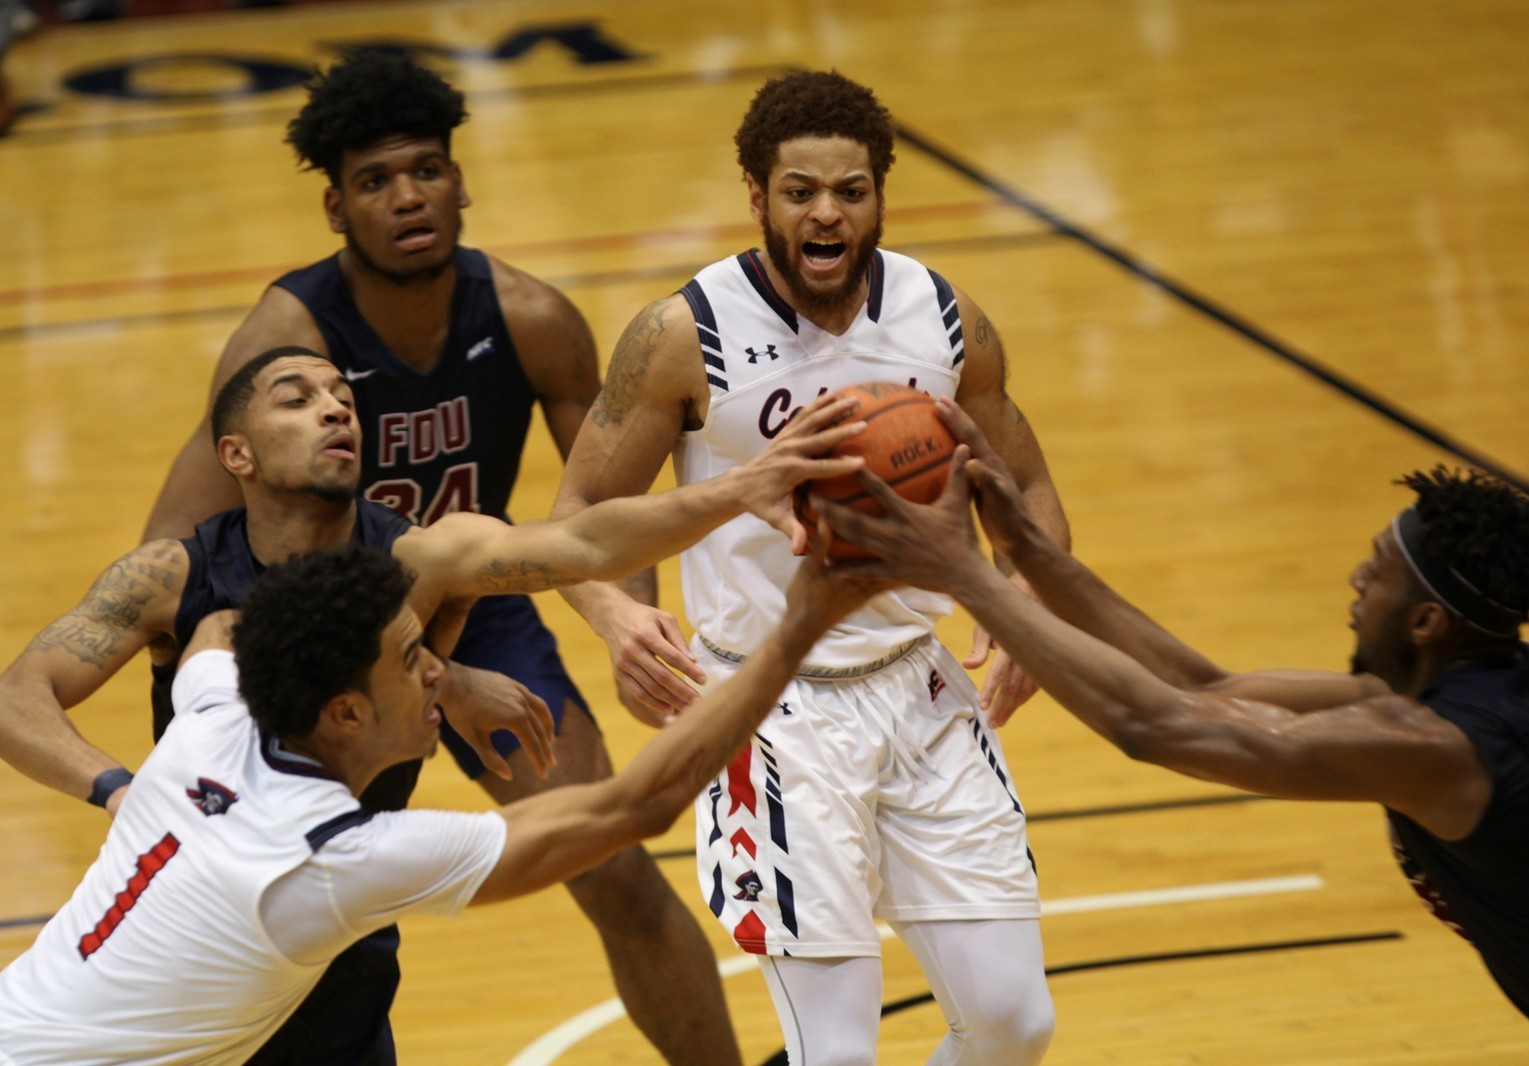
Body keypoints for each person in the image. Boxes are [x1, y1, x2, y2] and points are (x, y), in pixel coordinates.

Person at [0, 348, 864, 1063]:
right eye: (297, 401)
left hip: (271, 947)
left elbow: (584, 541)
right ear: (236, 456)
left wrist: (739, 488)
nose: (336, 411)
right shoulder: (182, 588)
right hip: (267, 904)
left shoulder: (225, 681)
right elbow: (19, 697)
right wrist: (119, 790)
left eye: (344, 396)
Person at [139, 49, 747, 1063]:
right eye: (375, 181)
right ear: (335, 208)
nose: (407, 196)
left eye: (425, 170)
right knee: (273, 913)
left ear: (461, 182)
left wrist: (622, 618)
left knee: (610, 858)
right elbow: (179, 547)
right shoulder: (286, 335)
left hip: (476, 604)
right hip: (311, 633)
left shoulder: (531, 319)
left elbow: (591, 510)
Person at [551, 71, 1068, 1065]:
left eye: (849, 189)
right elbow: (578, 516)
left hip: (920, 687)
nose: (826, 213)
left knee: (1014, 1022)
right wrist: (617, 619)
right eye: (800, 191)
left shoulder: (942, 318)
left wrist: (1021, 604)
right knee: (833, 1054)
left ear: (878, 193)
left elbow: (1029, 491)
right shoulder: (681, 335)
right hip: (766, 708)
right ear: (757, 195)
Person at [821, 397, 1529, 1019]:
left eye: (1377, 571)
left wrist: (965, 576)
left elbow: (1155, 726)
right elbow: (1204, 690)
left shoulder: (1440, 749)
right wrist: (1022, 546)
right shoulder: (1443, 692)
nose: (1355, 579)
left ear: (1425, 625)